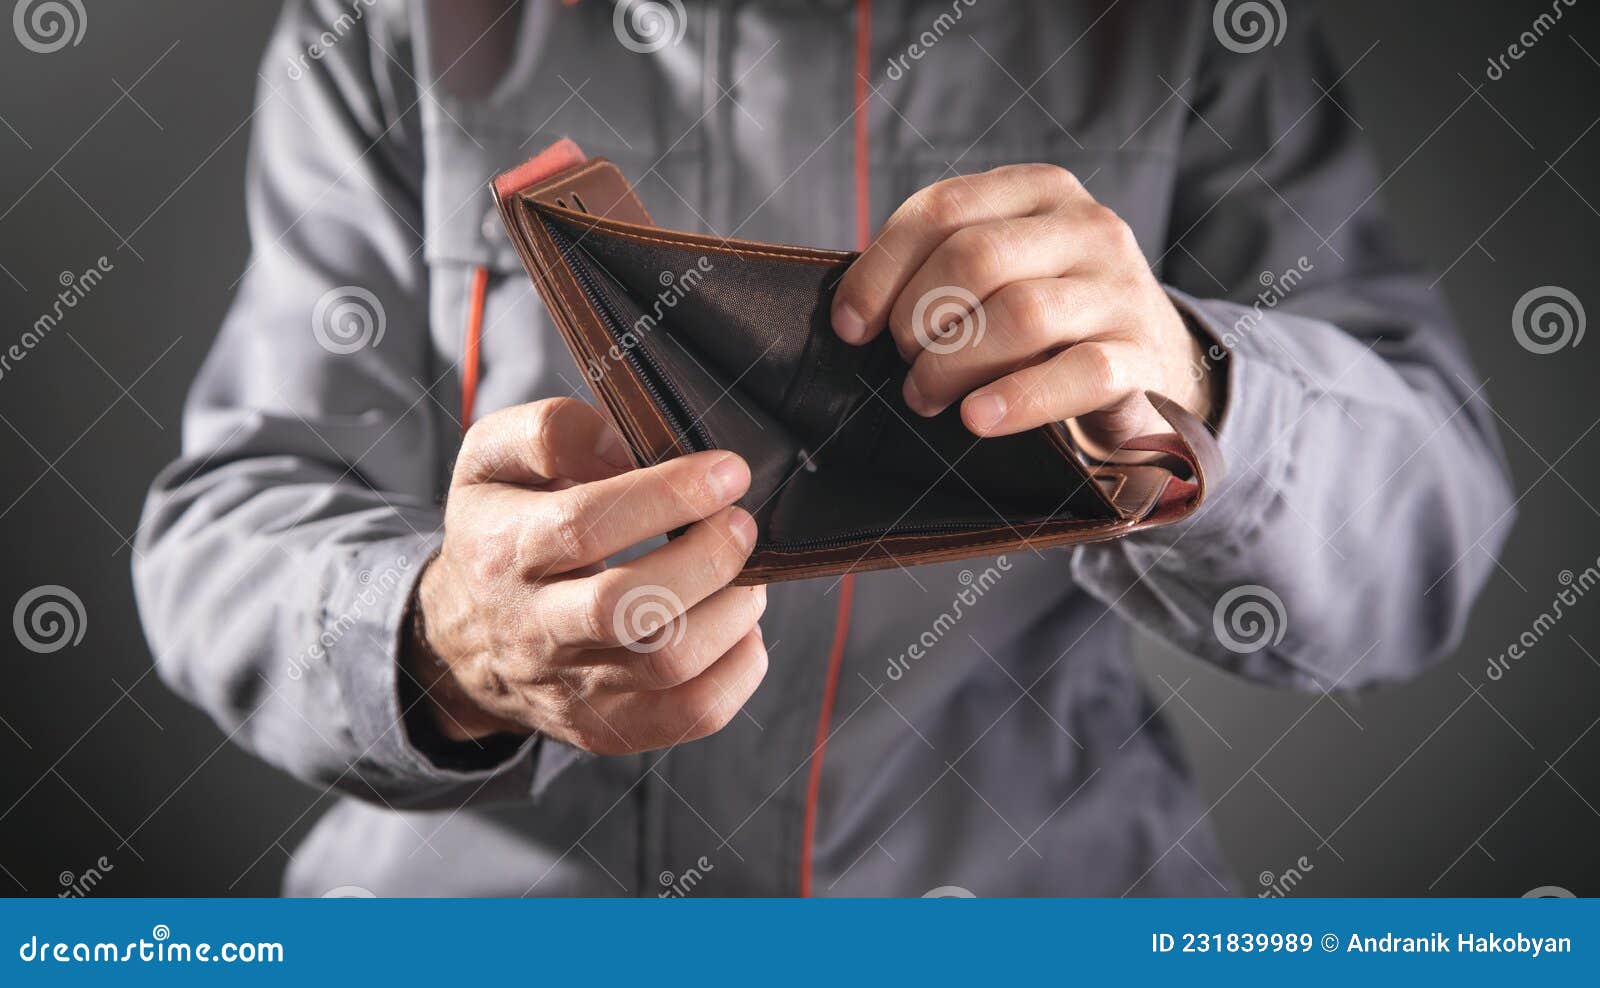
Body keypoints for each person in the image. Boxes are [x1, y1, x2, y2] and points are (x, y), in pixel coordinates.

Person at [134, 0, 1513, 896]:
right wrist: (441, 640)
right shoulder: (393, 27)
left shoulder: (1196, 33)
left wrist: (1201, 387)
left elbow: (1429, 534)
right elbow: (230, 520)